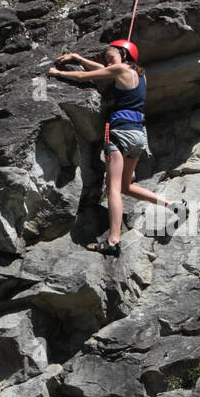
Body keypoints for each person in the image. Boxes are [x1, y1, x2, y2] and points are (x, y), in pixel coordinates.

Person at [47, 39, 181, 254]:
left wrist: (58, 73)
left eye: (111, 58)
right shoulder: (140, 75)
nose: (107, 63)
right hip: (138, 134)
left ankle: (113, 242)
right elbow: (104, 70)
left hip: (120, 132)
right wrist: (78, 58)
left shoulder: (120, 69)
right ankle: (172, 205)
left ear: (124, 55)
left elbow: (84, 76)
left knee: (113, 189)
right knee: (125, 187)